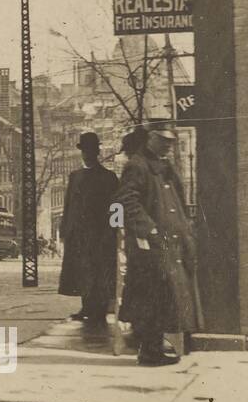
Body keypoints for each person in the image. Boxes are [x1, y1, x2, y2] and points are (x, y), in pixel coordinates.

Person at [118, 118, 198, 366]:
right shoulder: (138, 166)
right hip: (153, 244)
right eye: (163, 141)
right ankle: (150, 351)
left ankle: (158, 346)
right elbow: (126, 201)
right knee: (153, 294)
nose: (168, 146)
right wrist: (150, 230)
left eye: (171, 142)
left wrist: (185, 228)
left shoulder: (165, 167)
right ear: (150, 139)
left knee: (169, 295)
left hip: (172, 241)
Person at [58, 131, 118, 324]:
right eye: (84, 150)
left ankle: (98, 311)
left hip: (100, 235)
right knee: (83, 272)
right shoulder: (75, 177)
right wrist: (65, 229)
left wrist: (114, 231)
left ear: (97, 152)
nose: (87, 154)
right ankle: (86, 307)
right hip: (79, 235)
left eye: (90, 150)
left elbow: (117, 207)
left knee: (98, 272)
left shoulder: (109, 177)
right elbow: (69, 205)